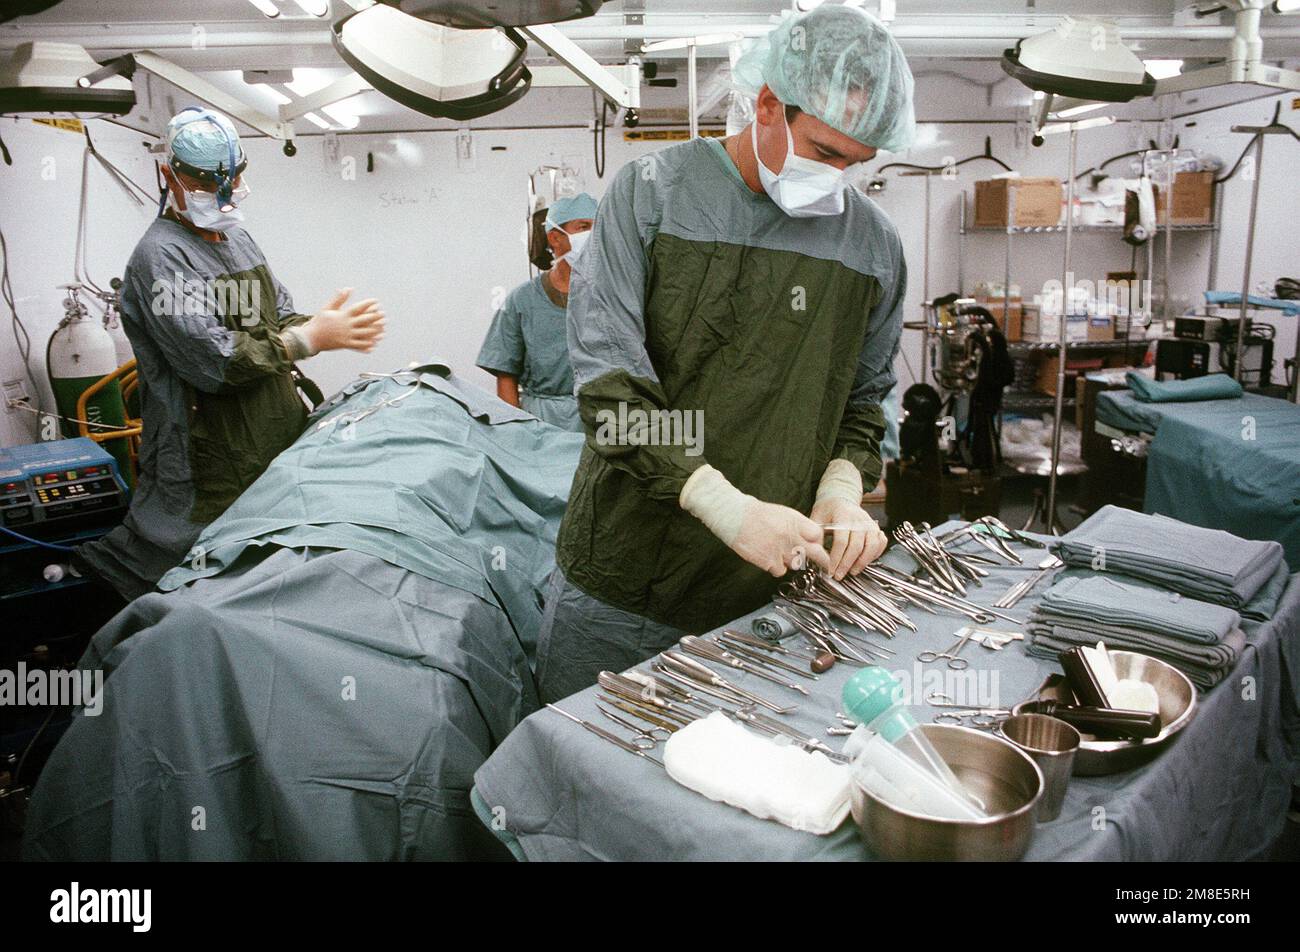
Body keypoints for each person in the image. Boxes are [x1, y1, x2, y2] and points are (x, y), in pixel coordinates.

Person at [535, 5, 914, 702]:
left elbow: (863, 404)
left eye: (857, 164)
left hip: (770, 596)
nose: (837, 178)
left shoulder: (874, 247)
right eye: (826, 153)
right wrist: (725, 507)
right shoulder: (651, 196)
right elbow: (612, 395)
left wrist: (841, 492)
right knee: (581, 785)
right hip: (627, 581)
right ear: (768, 103)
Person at [76, 107, 385, 601]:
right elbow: (214, 363)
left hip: (269, 432)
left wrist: (317, 325)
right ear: (168, 175)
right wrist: (307, 340)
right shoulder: (161, 256)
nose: (220, 197)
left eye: (231, 181)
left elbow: (275, 315)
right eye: (203, 185)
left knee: (263, 561)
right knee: (198, 572)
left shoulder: (237, 237)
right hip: (206, 450)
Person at [476, 193, 597, 431]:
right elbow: (506, 376)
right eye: (584, 227)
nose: (593, 235)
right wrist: (519, 432)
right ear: (555, 238)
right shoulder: (522, 301)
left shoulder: (612, 295)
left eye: (597, 227)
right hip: (542, 421)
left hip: (600, 417)